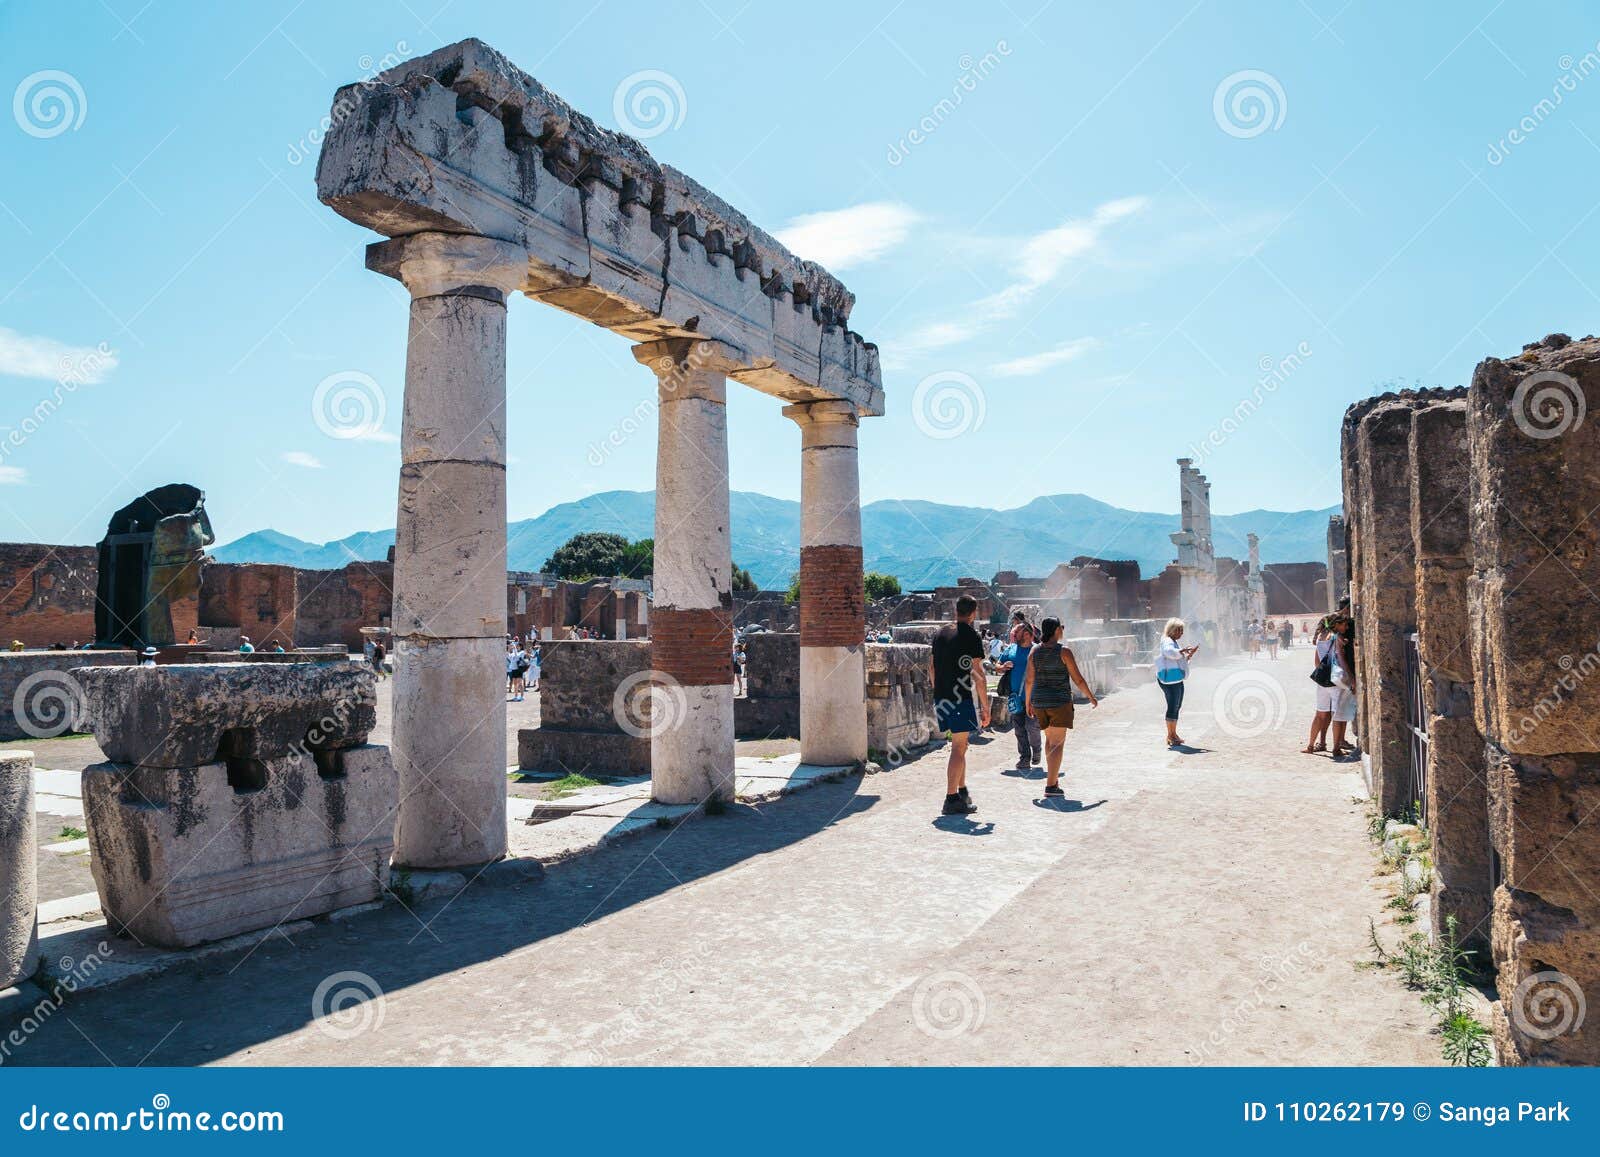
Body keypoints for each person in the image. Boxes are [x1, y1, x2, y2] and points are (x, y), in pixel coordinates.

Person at [1023, 617, 1098, 796]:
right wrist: (1091, 696)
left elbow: (1029, 680)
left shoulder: (1034, 651)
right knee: (1057, 744)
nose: (1063, 630)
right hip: (1059, 703)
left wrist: (1028, 702)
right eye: (1061, 627)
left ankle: (1053, 779)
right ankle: (1050, 786)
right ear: (1056, 630)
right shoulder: (1064, 652)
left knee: (1050, 741)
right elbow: (1078, 679)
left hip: (1040, 702)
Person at [930, 594, 988, 816]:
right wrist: (985, 707)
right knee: (957, 747)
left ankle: (961, 791)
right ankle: (951, 798)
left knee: (961, 746)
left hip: (942, 697)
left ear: (956, 610)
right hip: (960, 698)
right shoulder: (971, 636)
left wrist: (938, 692)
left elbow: (932, 668)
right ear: (973, 613)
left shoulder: (940, 633)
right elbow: (979, 674)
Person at [999, 622, 1040, 770]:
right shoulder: (1010, 649)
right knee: (1019, 729)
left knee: (1032, 727)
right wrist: (1002, 667)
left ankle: (1037, 749)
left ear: (1027, 634)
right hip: (1015, 698)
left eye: (1017, 632)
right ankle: (1025, 758)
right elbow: (998, 665)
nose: (1014, 634)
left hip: (1034, 698)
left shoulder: (1037, 650)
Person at [1156, 617, 1198, 747]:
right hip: (1170, 680)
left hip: (1176, 679)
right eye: (1179, 630)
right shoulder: (1167, 641)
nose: (1181, 633)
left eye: (1182, 630)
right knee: (1173, 706)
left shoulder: (1174, 642)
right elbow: (1170, 653)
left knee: (1177, 706)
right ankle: (1171, 735)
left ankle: (1173, 734)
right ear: (1172, 630)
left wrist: (1188, 655)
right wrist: (1181, 651)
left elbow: (1178, 659)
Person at [1303, 623, 1335, 754]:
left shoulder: (1320, 639)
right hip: (1335, 680)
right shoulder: (1335, 636)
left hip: (1322, 681)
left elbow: (1316, 663)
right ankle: (1336, 747)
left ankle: (1311, 745)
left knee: (1320, 714)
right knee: (1336, 715)